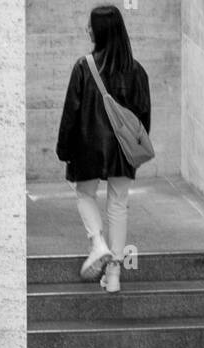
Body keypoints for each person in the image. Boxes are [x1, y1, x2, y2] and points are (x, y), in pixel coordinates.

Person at [55, 4, 151, 291]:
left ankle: (97, 243)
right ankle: (113, 277)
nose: (87, 28)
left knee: (84, 194)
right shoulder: (137, 71)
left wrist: (64, 149)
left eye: (90, 24)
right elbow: (143, 118)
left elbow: (71, 113)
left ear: (98, 31)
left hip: (87, 146)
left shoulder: (84, 67)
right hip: (122, 150)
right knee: (118, 204)